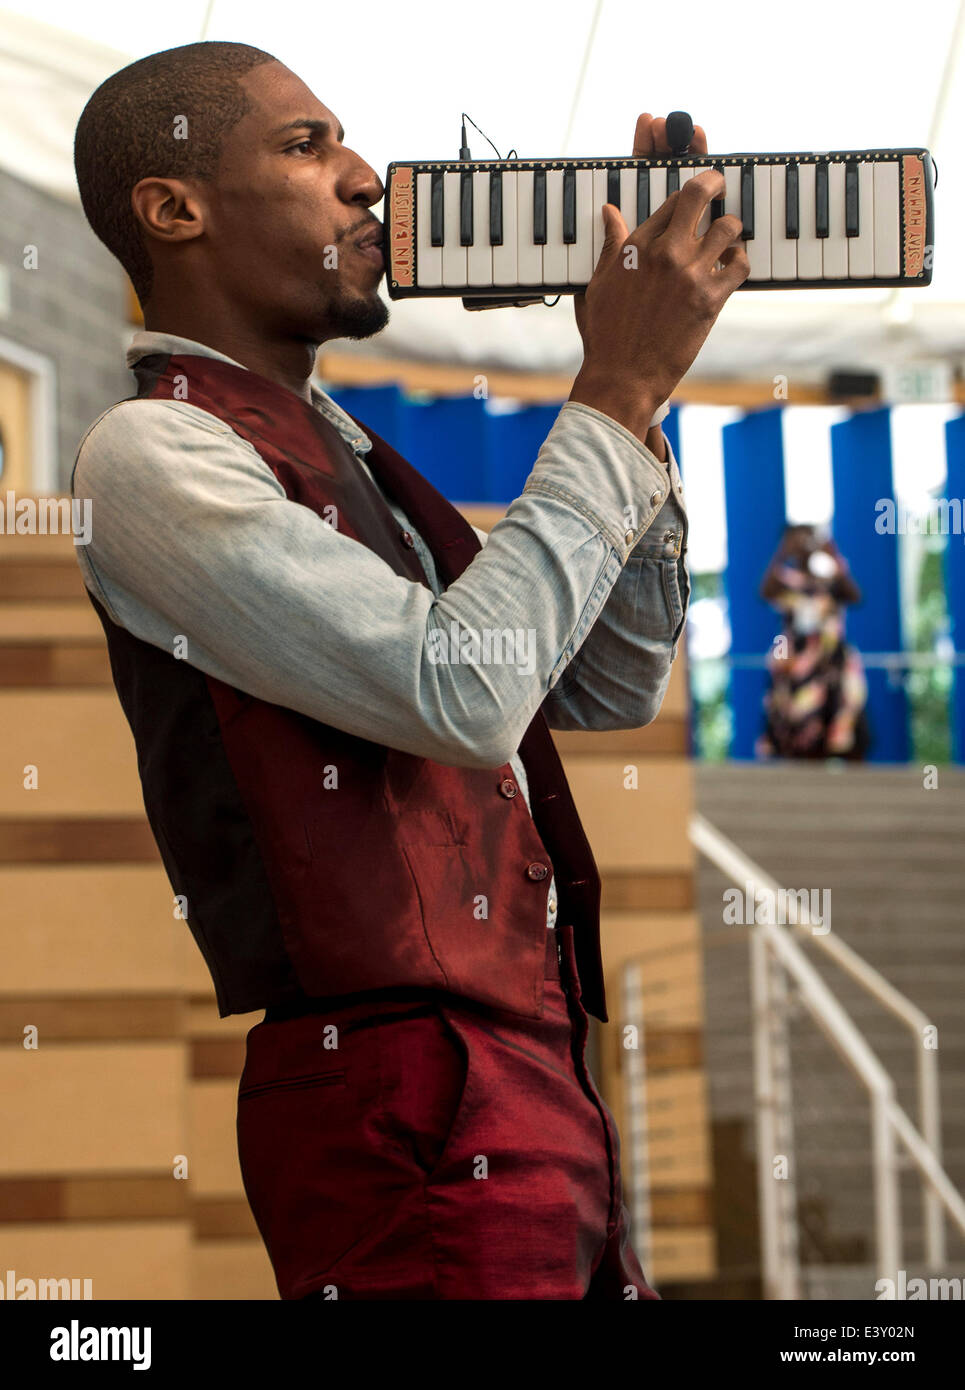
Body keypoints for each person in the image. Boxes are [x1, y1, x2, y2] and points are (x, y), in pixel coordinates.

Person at [70, 41, 749, 1300]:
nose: (367, 179)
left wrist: (641, 394)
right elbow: (465, 691)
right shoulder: (150, 452)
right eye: (306, 146)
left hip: (525, 1079)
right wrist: (611, 383)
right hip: (398, 1099)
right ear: (176, 210)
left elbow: (604, 684)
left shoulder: (349, 453)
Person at [757, 524, 870, 760]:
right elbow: (765, 591)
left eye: (808, 538)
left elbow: (855, 596)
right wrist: (783, 552)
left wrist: (832, 554)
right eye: (797, 540)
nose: (804, 545)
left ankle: (841, 744)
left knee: (846, 699)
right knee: (791, 706)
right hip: (795, 660)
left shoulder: (829, 580)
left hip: (830, 658)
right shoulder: (785, 581)